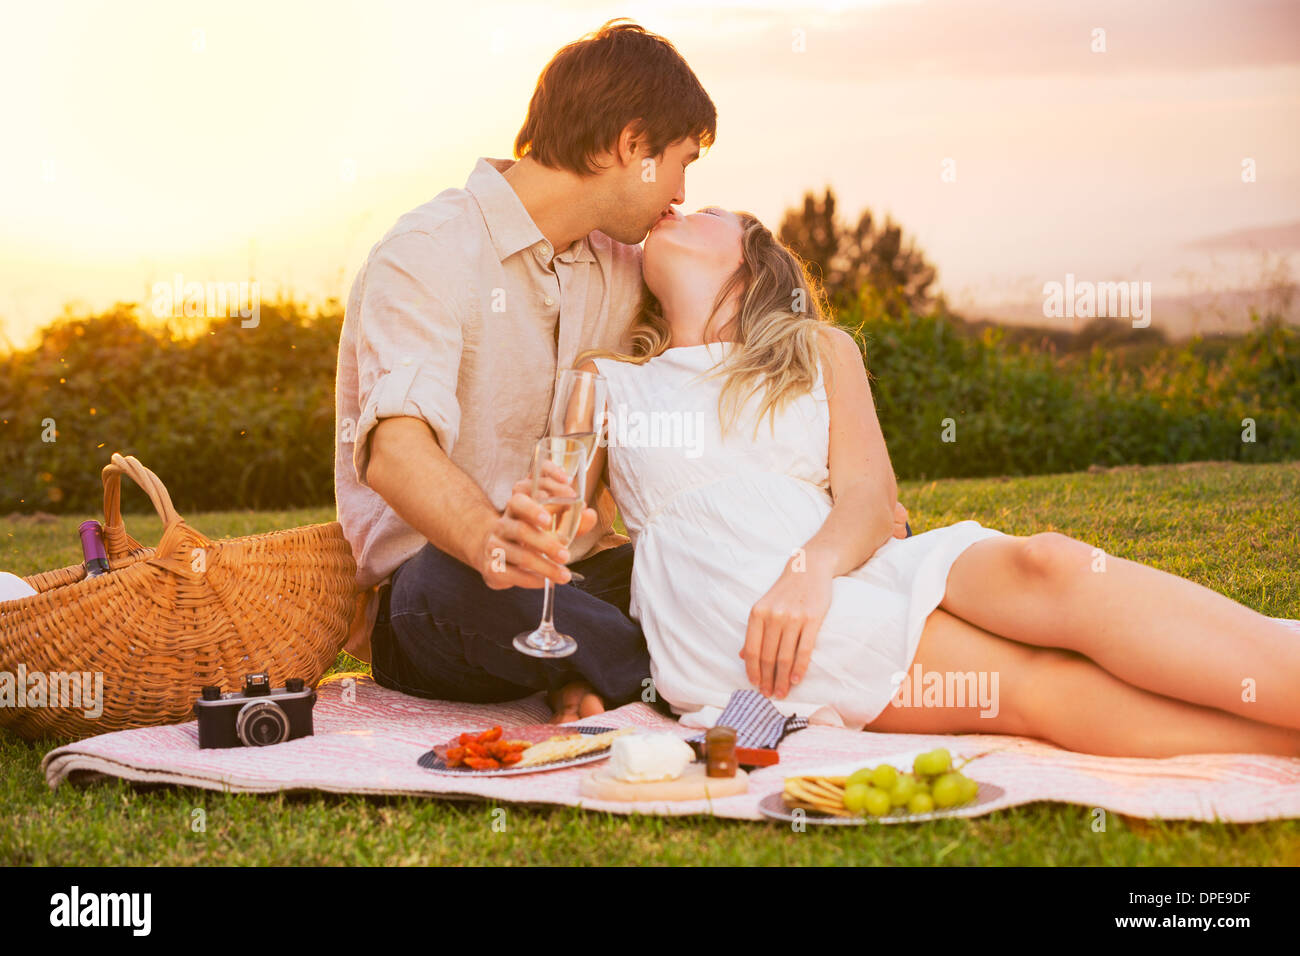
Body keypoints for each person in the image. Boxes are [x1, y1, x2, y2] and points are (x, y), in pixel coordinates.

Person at [575, 205, 1300, 758]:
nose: (674, 207)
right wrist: (566, 649)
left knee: (1051, 561)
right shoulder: (607, 384)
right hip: (747, 622)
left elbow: (868, 499)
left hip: (841, 562)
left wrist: (814, 567)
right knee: (1029, 685)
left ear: (751, 261)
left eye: (707, 211)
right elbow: (571, 536)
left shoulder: (816, 350)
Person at [332, 21, 902, 723]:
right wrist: (489, 540)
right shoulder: (427, 252)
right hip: (451, 593)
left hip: (583, 580)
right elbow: (394, 450)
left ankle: (607, 671)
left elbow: (725, 329)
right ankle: (720, 683)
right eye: (681, 161)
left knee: (706, 573)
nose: (681, 194)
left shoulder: (629, 263)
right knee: (452, 586)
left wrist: (839, 518)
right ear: (632, 146)